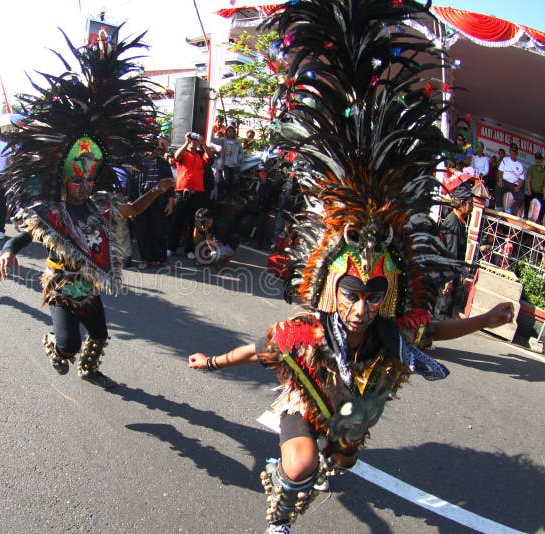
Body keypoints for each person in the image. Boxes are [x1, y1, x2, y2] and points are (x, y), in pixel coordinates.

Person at [186, 2, 514, 533]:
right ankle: (281, 514)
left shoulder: (392, 332)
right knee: (302, 465)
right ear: (332, 289)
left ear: (389, 294)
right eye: (353, 293)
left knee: (340, 460)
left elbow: (439, 329)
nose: (362, 309)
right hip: (305, 400)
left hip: (350, 418)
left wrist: (490, 319)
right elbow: (259, 349)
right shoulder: (307, 332)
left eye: (374, 294)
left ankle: (315, 464)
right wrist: (214, 361)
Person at [0, 31, 172, 389]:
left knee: (101, 336)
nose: (85, 186)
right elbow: (22, 236)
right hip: (60, 285)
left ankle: (88, 368)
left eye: (89, 180)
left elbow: (133, 210)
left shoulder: (100, 205)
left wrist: (158, 188)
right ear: (64, 180)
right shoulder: (51, 213)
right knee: (69, 344)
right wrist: (6, 252)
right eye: (78, 180)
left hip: (88, 286)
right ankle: (56, 348)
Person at [125, 145, 174, 269]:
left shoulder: (163, 163)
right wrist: (130, 204)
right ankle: (145, 259)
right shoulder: (137, 163)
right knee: (142, 232)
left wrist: (170, 202)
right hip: (140, 201)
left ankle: (161, 259)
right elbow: (130, 184)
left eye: (156, 148)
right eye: (151, 148)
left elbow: (169, 183)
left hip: (159, 201)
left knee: (159, 231)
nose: (153, 151)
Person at [167, 132, 213, 259]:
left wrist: (203, 143)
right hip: (182, 192)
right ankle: (171, 247)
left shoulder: (200, 155)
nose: (194, 142)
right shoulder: (183, 153)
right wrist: (186, 141)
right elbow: (176, 156)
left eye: (195, 140)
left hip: (197, 194)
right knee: (177, 221)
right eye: (192, 140)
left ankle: (189, 249)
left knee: (193, 223)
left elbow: (211, 157)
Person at [437, 182, 473, 318]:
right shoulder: (453, 223)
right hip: (445, 278)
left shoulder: (460, 222)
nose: (472, 207)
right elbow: (450, 253)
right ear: (462, 203)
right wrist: (449, 279)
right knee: (440, 315)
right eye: (470, 203)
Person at [210, 123, 245, 198]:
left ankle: (234, 197)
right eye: (229, 131)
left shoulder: (237, 142)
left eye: (232, 131)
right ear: (226, 132)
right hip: (225, 165)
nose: (231, 133)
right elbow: (213, 141)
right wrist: (210, 130)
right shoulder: (223, 140)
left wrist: (239, 159)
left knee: (235, 182)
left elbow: (241, 153)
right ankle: (226, 197)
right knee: (226, 181)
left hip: (235, 165)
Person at [498, 143, 525, 216]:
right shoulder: (505, 160)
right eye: (512, 151)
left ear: (517, 153)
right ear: (510, 151)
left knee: (521, 197)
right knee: (498, 187)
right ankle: (498, 207)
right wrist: (500, 180)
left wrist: (519, 187)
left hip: (514, 185)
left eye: (515, 151)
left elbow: (522, 179)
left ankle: (511, 210)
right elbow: (500, 171)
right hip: (504, 181)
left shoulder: (520, 165)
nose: (513, 152)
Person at [525, 152, 545, 222]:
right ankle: (525, 216)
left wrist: (544, 195)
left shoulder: (544, 172)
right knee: (526, 197)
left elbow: (544, 186)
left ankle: (539, 220)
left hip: (539, 193)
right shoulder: (531, 168)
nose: (537, 160)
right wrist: (529, 191)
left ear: (542, 160)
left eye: (539, 159)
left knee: (543, 204)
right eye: (536, 159)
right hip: (532, 191)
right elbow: (528, 180)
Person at [470, 141, 491, 207]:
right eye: (478, 148)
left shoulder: (485, 159)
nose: (479, 149)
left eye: (481, 148)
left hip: (482, 176)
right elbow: (471, 167)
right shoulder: (474, 157)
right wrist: (474, 173)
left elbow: (486, 170)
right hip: (474, 175)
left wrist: (482, 174)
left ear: (482, 149)